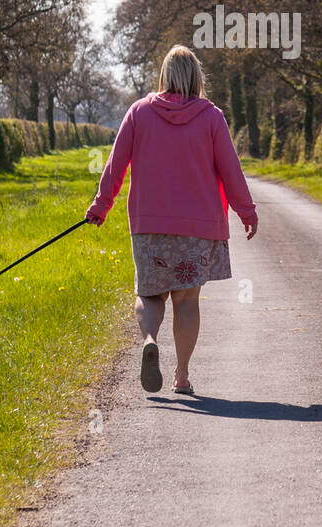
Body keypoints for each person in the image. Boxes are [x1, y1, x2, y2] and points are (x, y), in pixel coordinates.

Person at [85, 45, 258, 395]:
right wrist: (246, 211)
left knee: (149, 295)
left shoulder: (138, 112)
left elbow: (115, 165)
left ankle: (150, 340)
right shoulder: (211, 117)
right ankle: (181, 375)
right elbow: (231, 170)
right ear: (197, 78)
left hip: (149, 225)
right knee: (186, 301)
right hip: (197, 228)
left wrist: (101, 206)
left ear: (164, 75)